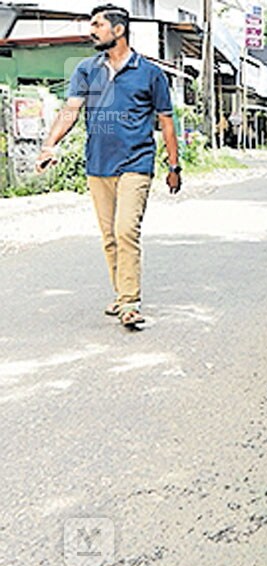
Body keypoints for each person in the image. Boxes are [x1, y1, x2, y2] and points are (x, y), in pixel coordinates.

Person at [36, 4, 182, 328]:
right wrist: (50, 145)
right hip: (98, 165)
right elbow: (70, 111)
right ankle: (121, 294)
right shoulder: (87, 70)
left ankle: (130, 302)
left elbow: (166, 123)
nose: (92, 31)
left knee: (125, 229)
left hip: (136, 163)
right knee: (109, 236)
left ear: (119, 30)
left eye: (98, 25)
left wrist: (174, 166)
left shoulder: (150, 73)